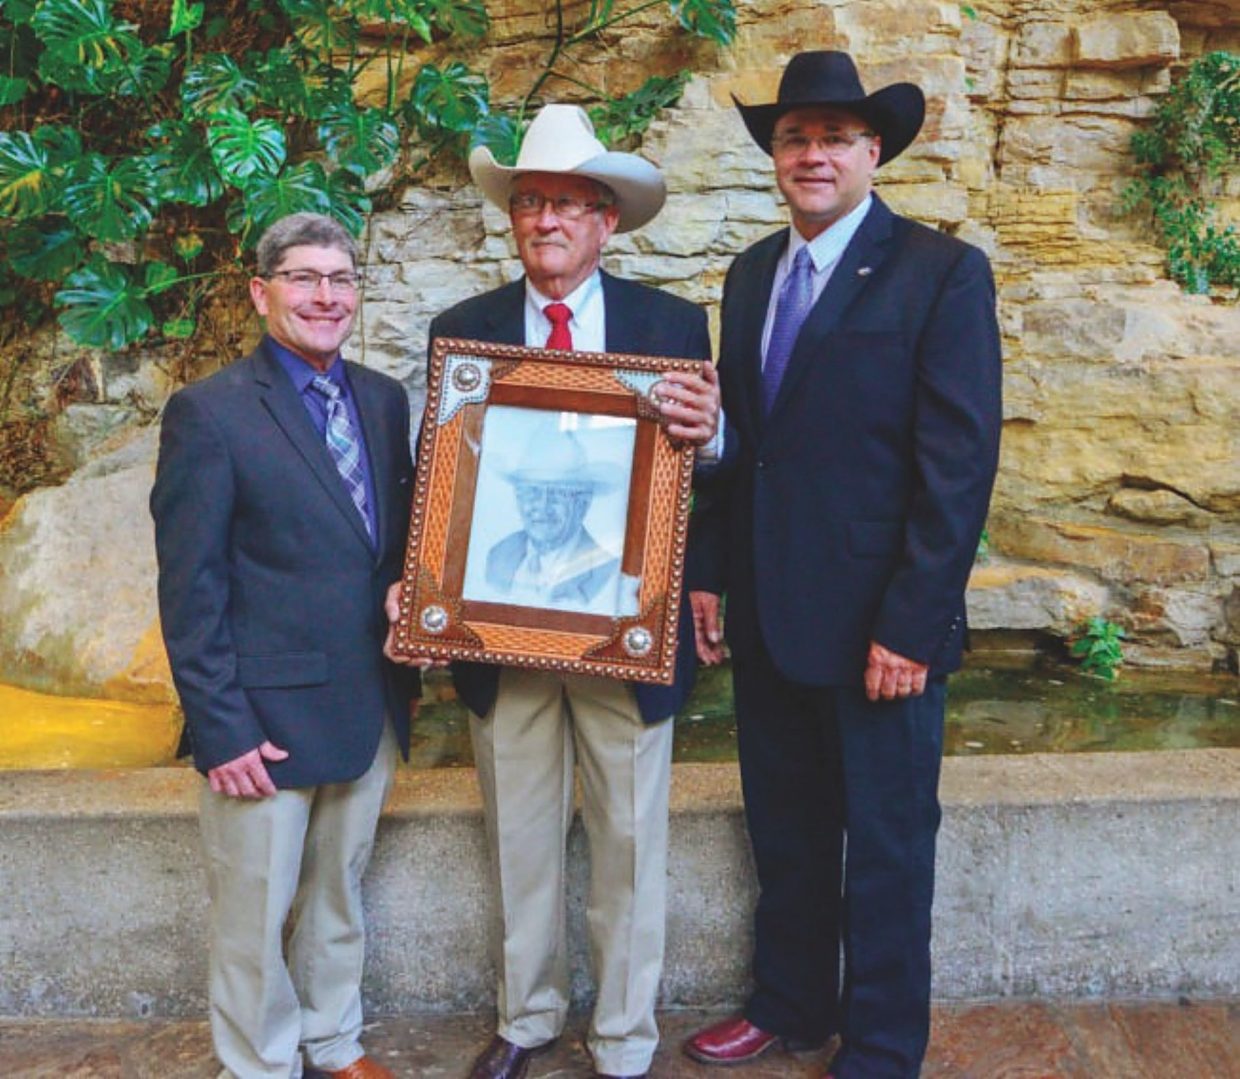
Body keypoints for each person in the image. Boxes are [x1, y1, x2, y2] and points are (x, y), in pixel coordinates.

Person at [683, 52, 1002, 1078]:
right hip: (771, 608)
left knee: (888, 846)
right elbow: (744, 445)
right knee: (785, 828)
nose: (811, 152)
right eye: (793, 136)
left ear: (873, 151)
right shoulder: (747, 273)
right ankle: (789, 1001)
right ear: (774, 155)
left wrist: (911, 624)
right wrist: (709, 571)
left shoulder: (939, 273)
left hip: (880, 628)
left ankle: (876, 1046)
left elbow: (957, 468)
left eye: (833, 136)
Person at [393, 104, 719, 1079]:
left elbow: (715, 473)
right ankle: (528, 1016)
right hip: (503, 641)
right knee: (521, 840)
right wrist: (421, 588)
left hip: (628, 630)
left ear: (605, 221)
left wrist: (714, 436)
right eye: (530, 202)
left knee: (628, 841)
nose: (545, 220)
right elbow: (441, 477)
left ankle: (622, 1035)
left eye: (568, 205)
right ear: (513, 218)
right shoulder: (466, 332)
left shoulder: (672, 325)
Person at [151, 212, 419, 1079]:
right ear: (262, 291)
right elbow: (190, 588)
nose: (326, 296)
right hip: (261, 719)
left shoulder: (382, 400)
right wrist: (219, 726)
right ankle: (261, 1063)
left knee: (339, 895)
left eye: (341, 279)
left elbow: (389, 539)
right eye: (304, 278)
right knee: (253, 913)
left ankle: (333, 1043)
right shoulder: (210, 413)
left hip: (365, 703)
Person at [481, 427, 625, 614]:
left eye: (558, 492)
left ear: (583, 503)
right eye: (532, 490)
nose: (542, 505)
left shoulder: (607, 573)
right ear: (517, 497)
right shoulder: (498, 556)